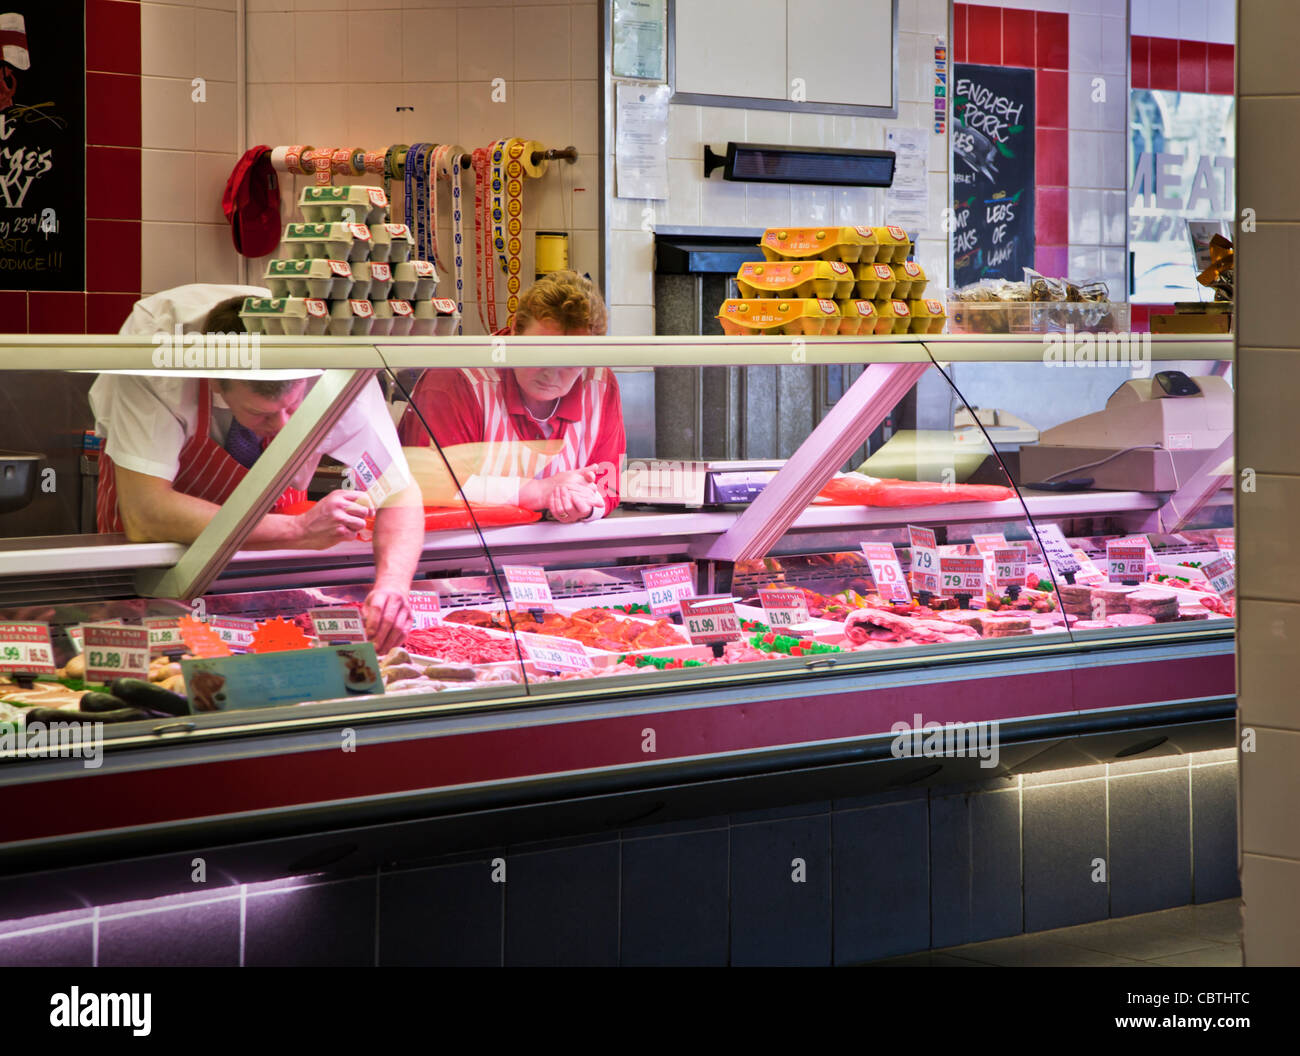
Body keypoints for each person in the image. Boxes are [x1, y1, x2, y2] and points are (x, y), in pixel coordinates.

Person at [90, 286, 424, 651]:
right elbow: (146, 515)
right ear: (215, 381)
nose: (281, 427)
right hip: (155, 574)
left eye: (293, 408)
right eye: (260, 413)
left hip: (261, 581)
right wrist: (296, 529)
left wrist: (392, 584)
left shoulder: (330, 360)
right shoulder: (160, 350)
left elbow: (398, 490)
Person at [397, 271, 625, 524]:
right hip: (454, 553)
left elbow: (608, 484)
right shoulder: (456, 380)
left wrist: (583, 506)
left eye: (572, 361)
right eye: (538, 353)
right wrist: (538, 492)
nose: (551, 373)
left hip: (554, 552)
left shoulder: (600, 383)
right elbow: (432, 485)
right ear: (515, 329)